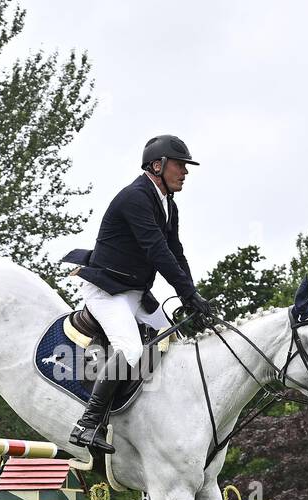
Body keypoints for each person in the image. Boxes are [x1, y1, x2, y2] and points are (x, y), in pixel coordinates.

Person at [68, 134, 213, 454]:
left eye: (185, 167)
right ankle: (87, 424)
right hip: (106, 290)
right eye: (180, 165)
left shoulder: (168, 205)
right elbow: (157, 252)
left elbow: (176, 254)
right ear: (157, 165)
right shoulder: (136, 197)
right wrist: (186, 294)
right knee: (131, 349)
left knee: (172, 341)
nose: (185, 172)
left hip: (134, 291)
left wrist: (194, 296)